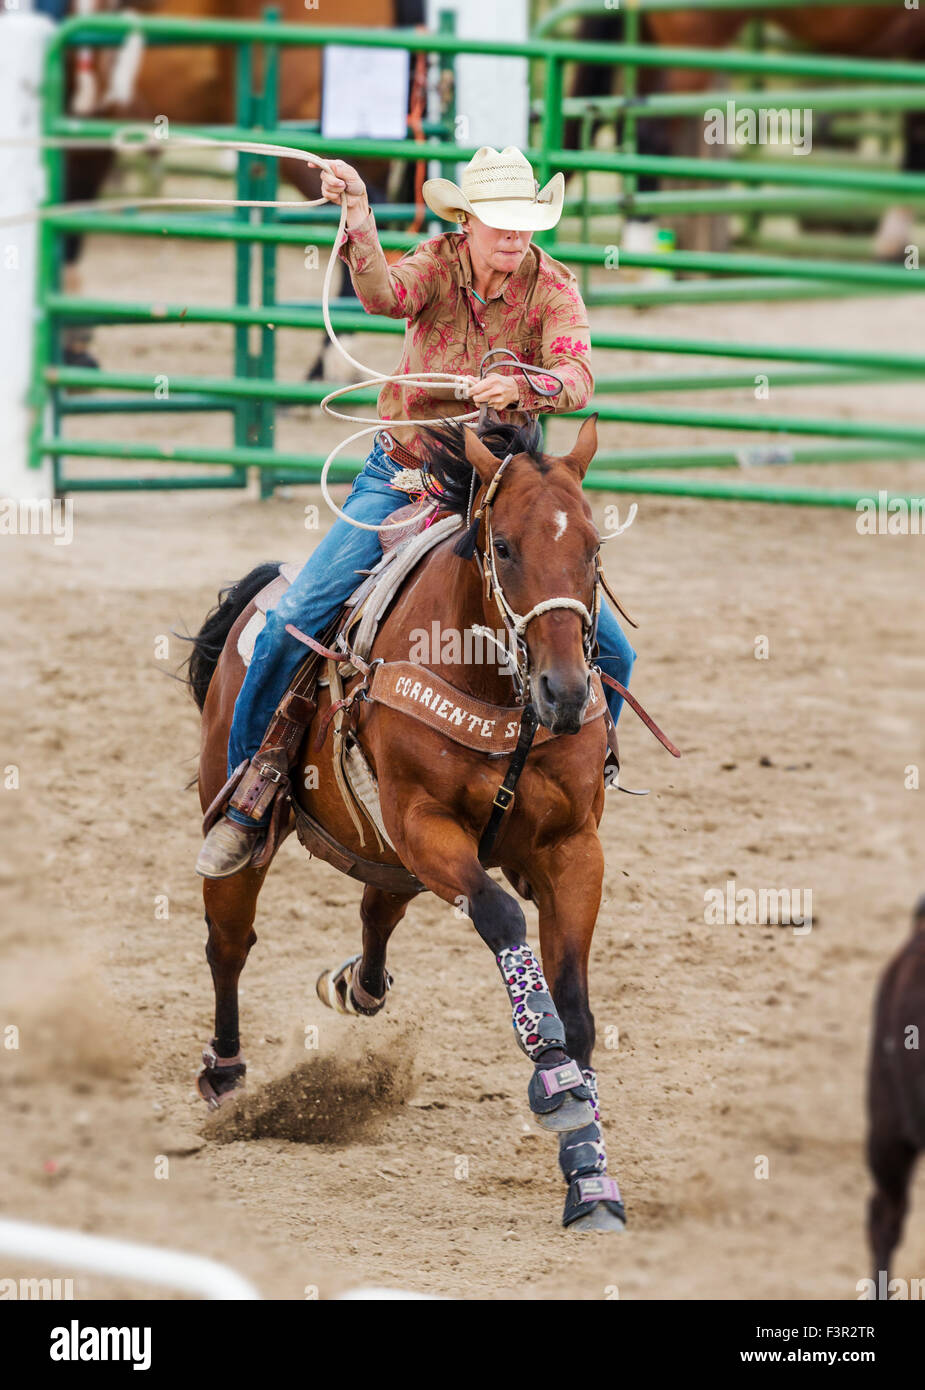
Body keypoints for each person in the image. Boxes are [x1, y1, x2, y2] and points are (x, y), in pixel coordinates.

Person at [197, 146, 636, 878]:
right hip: (406, 472)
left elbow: (578, 371)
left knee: (613, 650)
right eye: (500, 223)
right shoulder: (434, 265)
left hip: (501, 484)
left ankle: (576, 783)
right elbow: (379, 295)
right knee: (291, 621)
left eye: (525, 222)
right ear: (465, 222)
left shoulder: (551, 285)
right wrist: (360, 217)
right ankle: (254, 787)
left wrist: (528, 383)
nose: (515, 236)